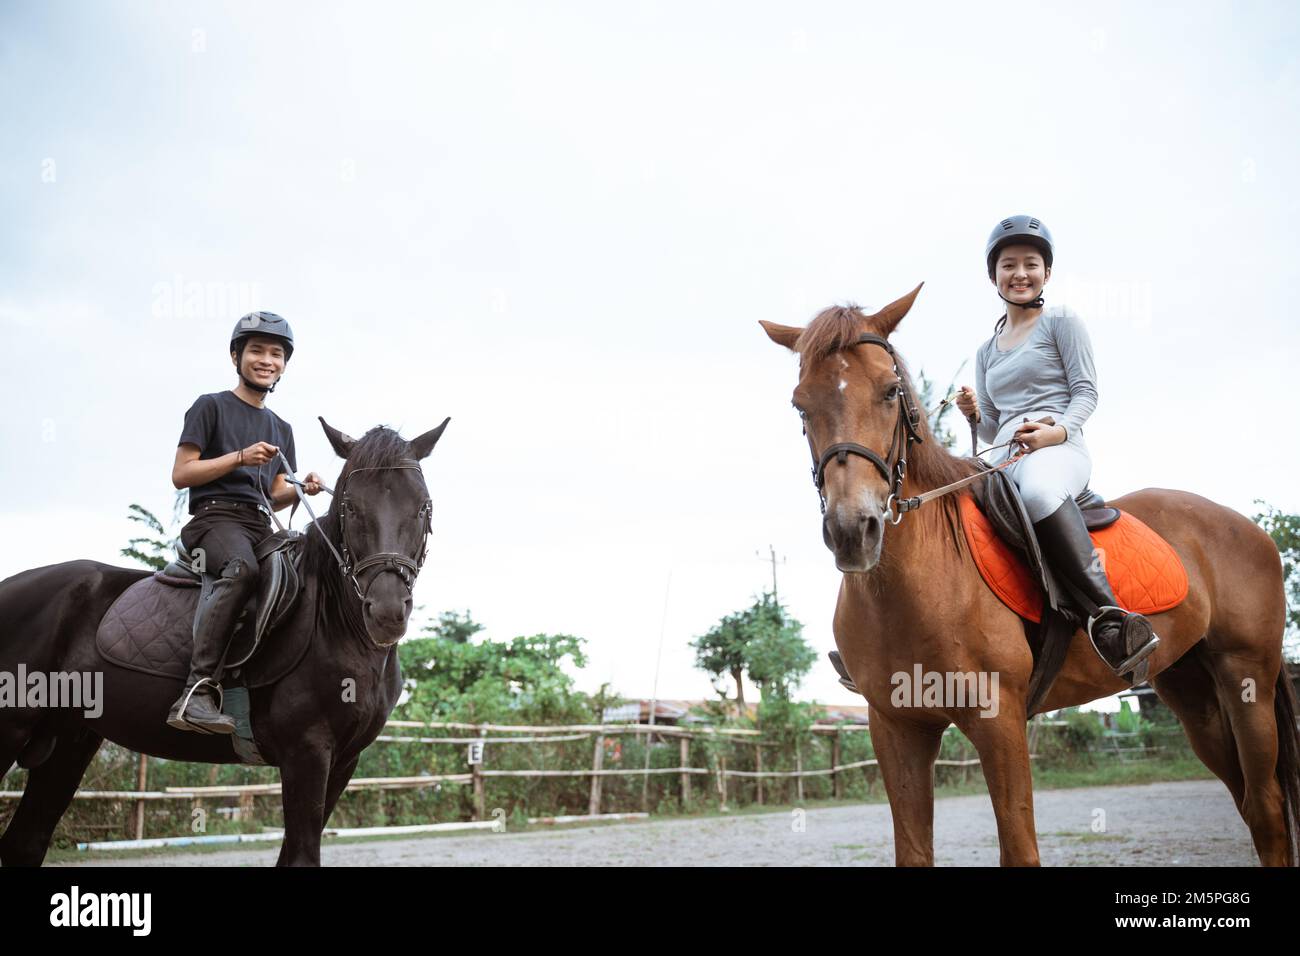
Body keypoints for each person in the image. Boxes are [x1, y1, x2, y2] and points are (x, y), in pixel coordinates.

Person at [955, 216, 1159, 682]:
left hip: (1058, 451)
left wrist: (1057, 433)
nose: (1020, 273)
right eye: (1009, 265)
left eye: (1031, 263)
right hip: (1004, 457)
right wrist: (973, 415)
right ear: (994, 277)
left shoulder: (1062, 321)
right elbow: (991, 431)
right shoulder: (986, 350)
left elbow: (1086, 392)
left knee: (1041, 495)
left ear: (1046, 273)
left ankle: (1110, 619)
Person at [168, 312, 324, 733]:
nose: (267, 360)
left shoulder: (281, 428)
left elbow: (273, 495)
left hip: (258, 523)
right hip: (213, 518)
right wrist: (239, 457)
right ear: (237, 356)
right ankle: (195, 692)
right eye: (257, 350)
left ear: (285, 366)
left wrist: (300, 488)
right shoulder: (211, 405)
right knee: (242, 570)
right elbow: (182, 473)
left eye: (277, 354)